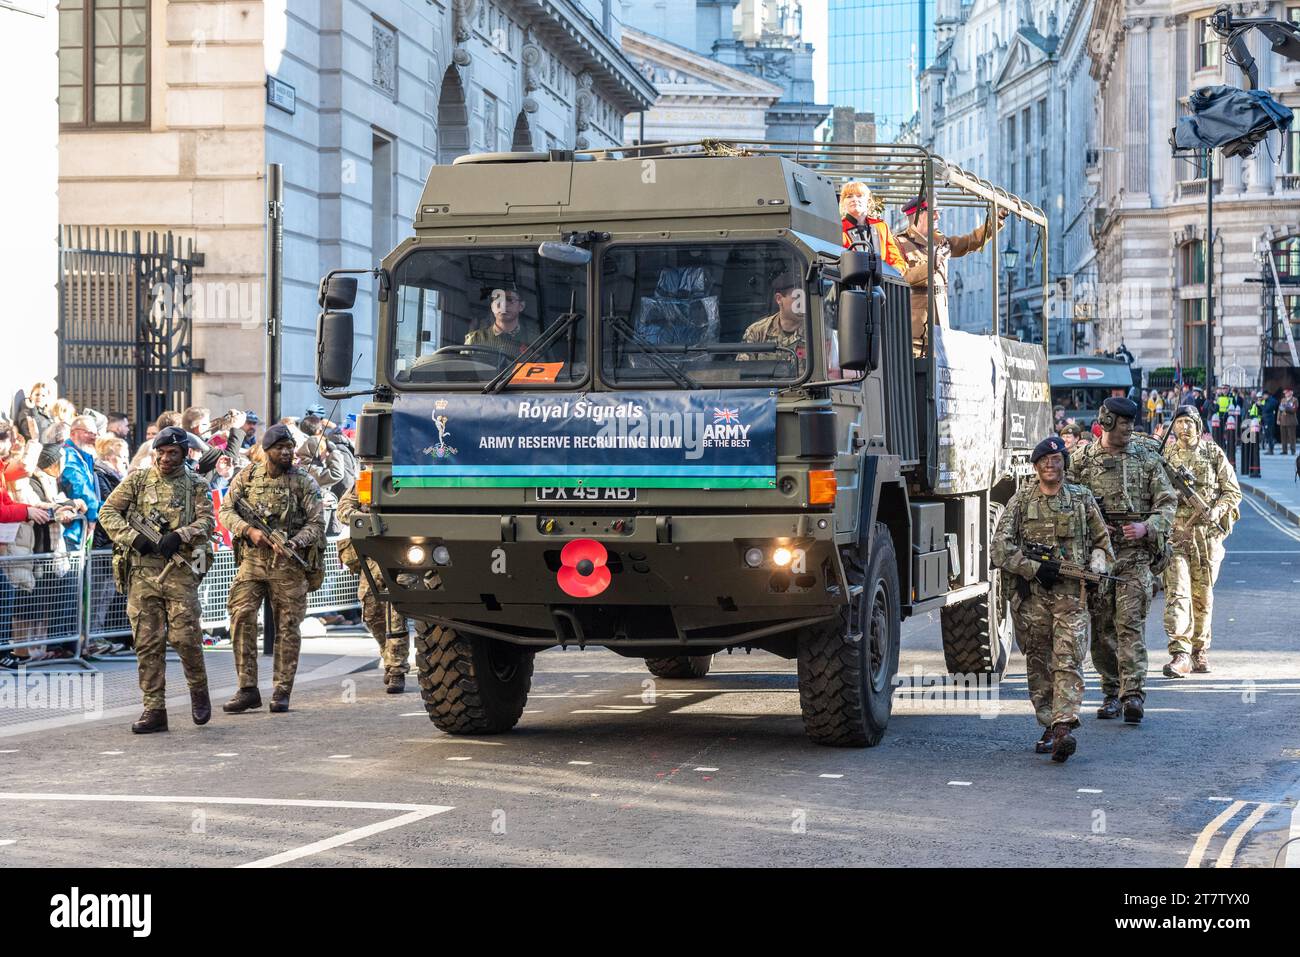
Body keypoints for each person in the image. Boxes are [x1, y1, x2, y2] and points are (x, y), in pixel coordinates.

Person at [992, 436, 1113, 762]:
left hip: (1072, 598)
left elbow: (1103, 542)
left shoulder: (1082, 499)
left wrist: (1099, 563)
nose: (1050, 464)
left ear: (1064, 463)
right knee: (1039, 665)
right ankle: (1048, 721)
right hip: (1032, 601)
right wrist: (1032, 568)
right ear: (1035, 466)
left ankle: (1063, 727)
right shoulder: (1020, 501)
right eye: (1044, 460)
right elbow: (999, 548)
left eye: (1056, 459)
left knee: (1068, 660)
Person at [1067, 396, 1177, 724]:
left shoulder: (1145, 459)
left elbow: (1168, 502)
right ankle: (1111, 690)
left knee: (1129, 624)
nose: (1129, 428)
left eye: (1132, 422)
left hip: (1134, 556)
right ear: (1108, 422)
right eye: (1124, 422)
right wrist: (1089, 523)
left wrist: (1147, 527)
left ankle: (1133, 694)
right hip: (1098, 558)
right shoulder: (1082, 460)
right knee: (1101, 628)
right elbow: (1064, 501)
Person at [98, 427, 215, 733]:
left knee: (185, 639)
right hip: (142, 572)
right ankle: (154, 708)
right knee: (147, 643)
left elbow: (207, 522)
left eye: (172, 453)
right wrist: (133, 538)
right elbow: (108, 511)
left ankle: (199, 691)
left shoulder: (196, 484)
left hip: (179, 573)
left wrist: (180, 534)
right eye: (160, 452)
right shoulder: (137, 479)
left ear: (184, 454)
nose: (165, 458)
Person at [219, 423, 326, 714]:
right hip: (253, 562)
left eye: (290, 447)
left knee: (288, 626)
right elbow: (226, 510)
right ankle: (247, 688)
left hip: (289, 565)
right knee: (241, 616)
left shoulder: (303, 481)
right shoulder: (248, 477)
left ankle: (281, 689)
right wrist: (248, 531)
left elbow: (317, 523)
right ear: (267, 451)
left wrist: (293, 542)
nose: (287, 452)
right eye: (280, 448)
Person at [1158, 405, 1242, 678]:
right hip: (1175, 533)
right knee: (1178, 591)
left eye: (1189, 422)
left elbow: (1232, 492)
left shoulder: (1213, 453)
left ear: (1199, 426)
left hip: (1206, 536)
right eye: (1179, 422)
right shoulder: (1165, 455)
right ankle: (1180, 653)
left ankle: (1199, 650)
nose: (1184, 428)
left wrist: (1216, 510)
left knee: (1202, 595)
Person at [896, 191, 1007, 356]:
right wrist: (931, 264)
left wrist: (995, 221)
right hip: (915, 326)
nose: (937, 217)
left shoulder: (939, 241)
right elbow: (902, 277)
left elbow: (969, 242)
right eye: (933, 212)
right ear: (918, 215)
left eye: (938, 212)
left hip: (940, 322)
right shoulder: (899, 243)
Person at [336, 482, 410, 693]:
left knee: (396, 613)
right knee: (371, 612)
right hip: (374, 553)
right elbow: (343, 509)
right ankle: (388, 655)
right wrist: (364, 518)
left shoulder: (412, 475)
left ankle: (397, 670)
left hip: (404, 551)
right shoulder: (370, 480)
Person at [737, 273, 808, 371]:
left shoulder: (816, 332)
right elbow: (743, 372)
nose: (802, 303)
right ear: (779, 299)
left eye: (805, 298)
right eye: (797, 298)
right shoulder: (757, 331)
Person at [838, 181, 905, 273]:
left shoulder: (881, 227)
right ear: (843, 202)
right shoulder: (838, 227)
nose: (854, 199)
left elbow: (895, 259)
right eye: (849, 196)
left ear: (868, 201)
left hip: (882, 282)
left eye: (859, 195)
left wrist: (892, 273)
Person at [60, 414, 101, 552]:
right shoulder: (69, 455)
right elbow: (80, 487)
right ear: (73, 433)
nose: (93, 437)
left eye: (95, 433)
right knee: (73, 572)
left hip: (79, 529)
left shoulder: (84, 456)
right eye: (89, 433)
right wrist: (92, 516)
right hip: (72, 529)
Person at [465, 286, 530, 354]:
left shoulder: (534, 341)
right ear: (492, 307)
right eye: (498, 300)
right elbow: (463, 363)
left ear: (521, 306)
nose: (503, 305)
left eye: (510, 300)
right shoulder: (475, 339)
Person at [1279, 388, 1298, 455]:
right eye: (1285, 393)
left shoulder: (1294, 400)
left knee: (1291, 437)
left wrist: (1286, 408)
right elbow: (1280, 410)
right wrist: (1278, 419)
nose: (1285, 394)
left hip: (1291, 421)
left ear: (1291, 393)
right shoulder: (1283, 400)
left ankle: (1293, 450)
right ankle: (1284, 450)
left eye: (1287, 393)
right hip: (1283, 421)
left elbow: (1294, 410)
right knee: (1283, 437)